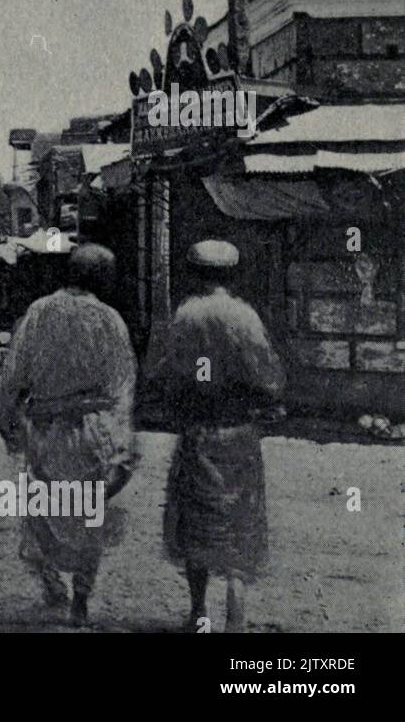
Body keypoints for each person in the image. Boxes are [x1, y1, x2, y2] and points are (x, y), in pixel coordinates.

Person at [0, 244, 137, 626]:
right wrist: (124, 445)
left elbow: (15, 370)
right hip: (92, 431)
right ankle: (80, 600)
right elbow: (122, 387)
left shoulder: (39, 312)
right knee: (88, 513)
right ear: (101, 278)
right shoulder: (110, 320)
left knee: (43, 509)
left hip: (44, 429)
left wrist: (7, 413)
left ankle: (51, 584)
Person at [150, 239, 283, 633]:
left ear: (194, 272)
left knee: (196, 522)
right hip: (240, 434)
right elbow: (269, 378)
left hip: (198, 432)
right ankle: (235, 619)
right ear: (233, 274)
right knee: (240, 523)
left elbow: (165, 374)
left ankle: (198, 614)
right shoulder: (245, 316)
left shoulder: (186, 316)